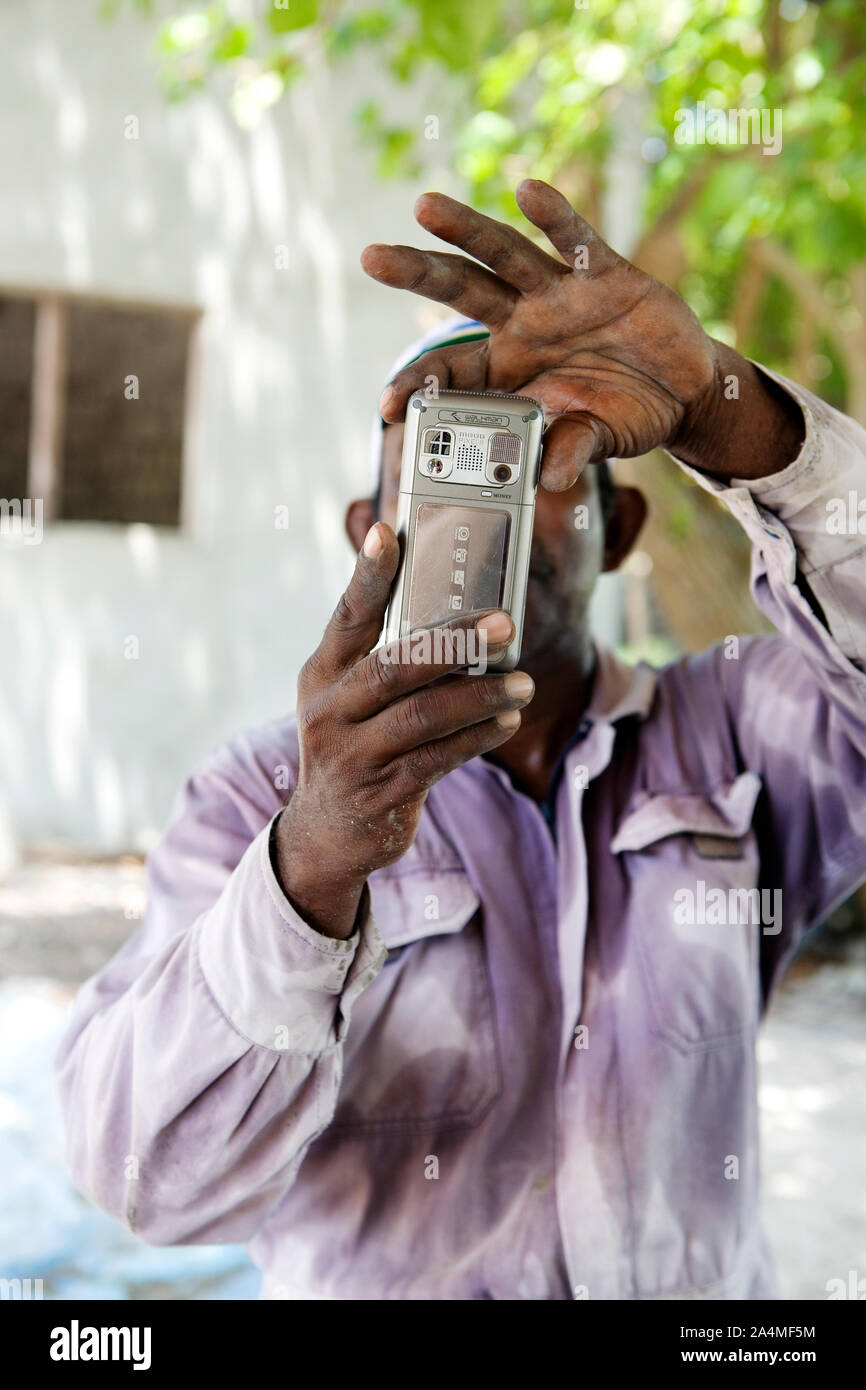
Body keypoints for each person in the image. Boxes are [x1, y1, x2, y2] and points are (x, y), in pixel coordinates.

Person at [56, 180, 866, 1300]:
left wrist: (732, 413)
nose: (493, 505)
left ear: (619, 530)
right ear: (368, 532)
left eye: (540, 456)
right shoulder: (259, 796)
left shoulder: (736, 733)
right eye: (449, 460)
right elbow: (144, 1179)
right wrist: (310, 868)